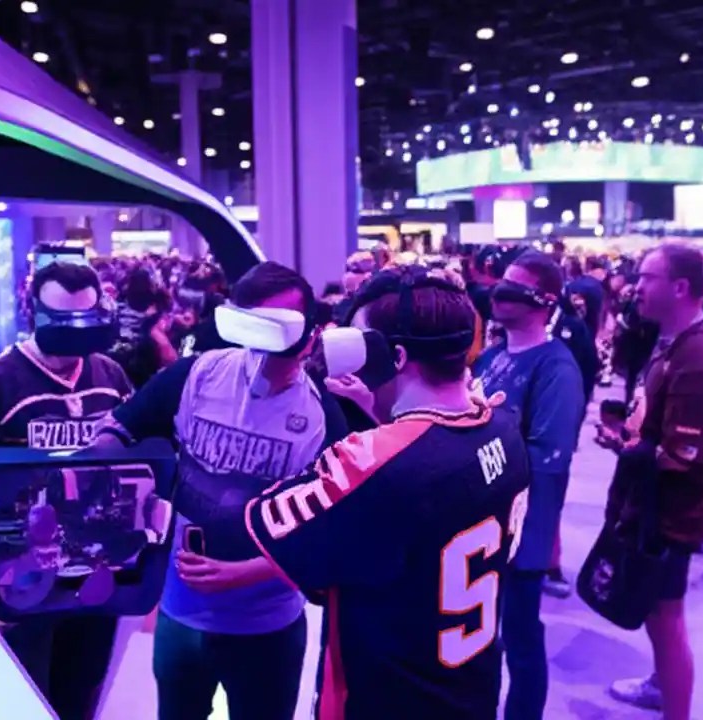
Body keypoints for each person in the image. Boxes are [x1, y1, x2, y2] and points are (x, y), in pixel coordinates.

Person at [170, 266, 532, 718]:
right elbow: (427, 473)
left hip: (387, 696)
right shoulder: (501, 424)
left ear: (394, 358)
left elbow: (245, 520)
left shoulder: (372, 462)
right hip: (468, 689)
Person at [95, 261, 346, 720]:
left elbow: (332, 537)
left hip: (266, 623)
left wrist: (250, 572)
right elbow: (116, 435)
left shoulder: (321, 417)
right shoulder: (197, 375)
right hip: (180, 612)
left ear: (310, 337)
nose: (264, 356)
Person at [0, 261, 133, 720]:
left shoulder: (110, 376)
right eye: (64, 322)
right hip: (21, 576)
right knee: (22, 698)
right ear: (35, 314)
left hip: (94, 572)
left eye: (86, 321)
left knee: (82, 691)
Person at [606, 245, 703, 720]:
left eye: (646, 276)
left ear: (680, 287)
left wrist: (630, 450)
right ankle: (661, 685)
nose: (635, 286)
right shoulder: (676, 342)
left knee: (665, 619)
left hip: (671, 514)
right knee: (658, 615)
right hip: (656, 505)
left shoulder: (699, 356)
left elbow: (685, 455)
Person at [472, 250, 585, 719]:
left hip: (522, 529)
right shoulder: (494, 356)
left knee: (519, 636)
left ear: (543, 300)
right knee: (479, 637)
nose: (499, 294)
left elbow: (549, 458)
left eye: (514, 288)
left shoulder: (556, 367)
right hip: (479, 520)